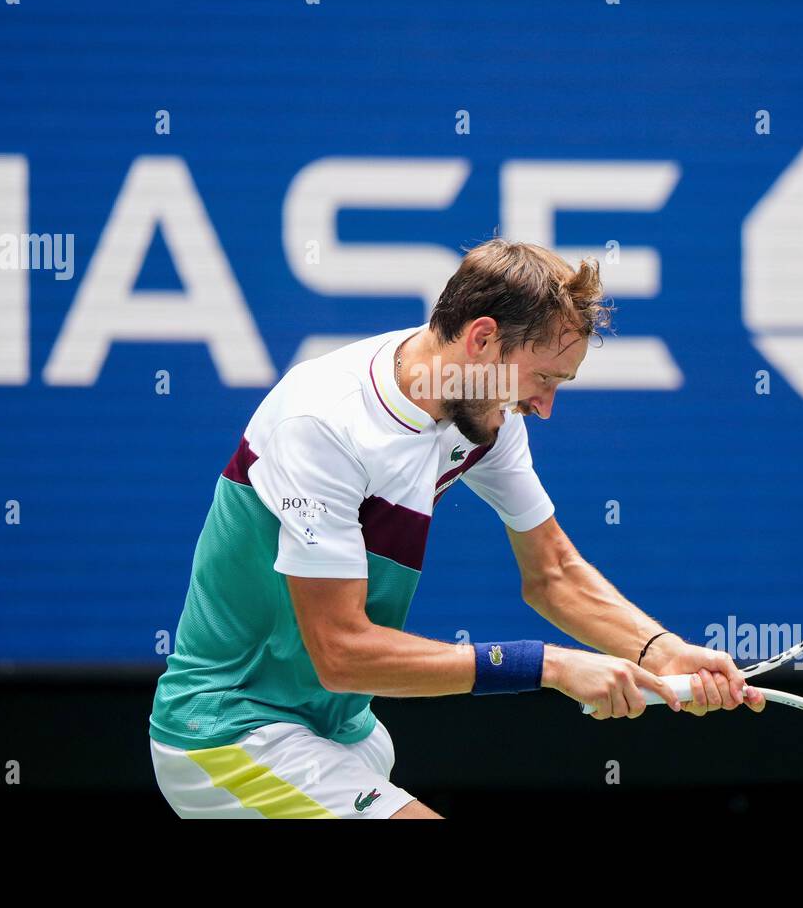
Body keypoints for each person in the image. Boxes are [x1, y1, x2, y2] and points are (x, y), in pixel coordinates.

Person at [149, 238, 763, 818]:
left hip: (344, 733)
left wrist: (661, 649)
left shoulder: (484, 406)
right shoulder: (325, 424)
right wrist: (548, 666)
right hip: (229, 732)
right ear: (483, 338)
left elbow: (552, 573)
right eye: (544, 378)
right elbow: (339, 652)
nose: (544, 406)